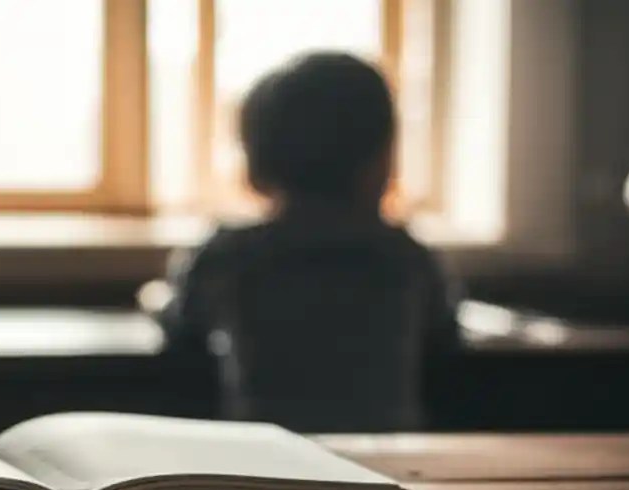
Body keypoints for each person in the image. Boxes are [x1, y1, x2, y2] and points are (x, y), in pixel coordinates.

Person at [160, 52, 459, 355]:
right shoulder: (408, 260)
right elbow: (444, 336)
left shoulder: (225, 258)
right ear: (381, 159)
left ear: (256, 163)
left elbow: (181, 331)